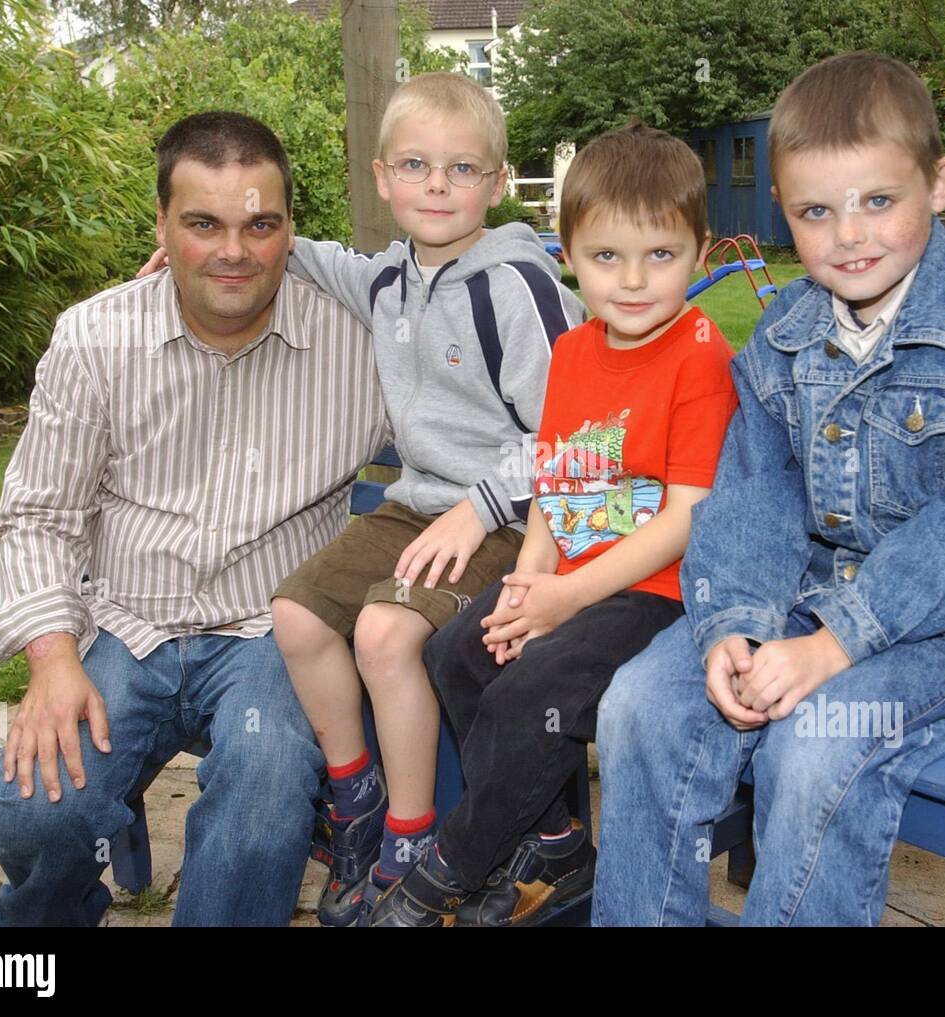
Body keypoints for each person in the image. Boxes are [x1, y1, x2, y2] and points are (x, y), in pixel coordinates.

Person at [592, 52, 945, 926]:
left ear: (937, 184)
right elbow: (751, 495)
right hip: (809, 590)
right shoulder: (785, 334)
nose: (849, 234)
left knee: (815, 749)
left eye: (877, 201)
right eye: (817, 211)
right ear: (783, 210)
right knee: (638, 706)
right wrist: (736, 621)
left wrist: (834, 646)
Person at [0, 112, 387, 926]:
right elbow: (39, 513)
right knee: (36, 805)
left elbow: (481, 386)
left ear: (291, 229)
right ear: (161, 224)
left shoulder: (358, 343)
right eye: (203, 224)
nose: (234, 251)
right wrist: (52, 658)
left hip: (273, 628)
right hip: (123, 620)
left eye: (259, 224)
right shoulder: (95, 336)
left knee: (264, 795)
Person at [364, 121, 739, 927]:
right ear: (567, 253)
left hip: (659, 590)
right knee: (458, 650)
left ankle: (451, 868)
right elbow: (557, 481)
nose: (632, 281)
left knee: (529, 688)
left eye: (661, 256)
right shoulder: (573, 353)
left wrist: (562, 601)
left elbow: (685, 517)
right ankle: (558, 841)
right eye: (607, 257)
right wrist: (530, 579)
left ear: (701, 255)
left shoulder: (699, 354)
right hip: (574, 573)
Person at [268, 72, 583, 925]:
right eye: (414, 165)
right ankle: (355, 798)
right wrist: (265, 244)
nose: (436, 185)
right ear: (381, 178)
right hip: (416, 505)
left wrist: (481, 505)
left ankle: (411, 845)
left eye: (460, 168)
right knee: (295, 616)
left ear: (497, 180)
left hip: (516, 516)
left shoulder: (515, 288)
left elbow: (579, 430)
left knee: (383, 630)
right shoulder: (389, 279)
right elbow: (321, 260)